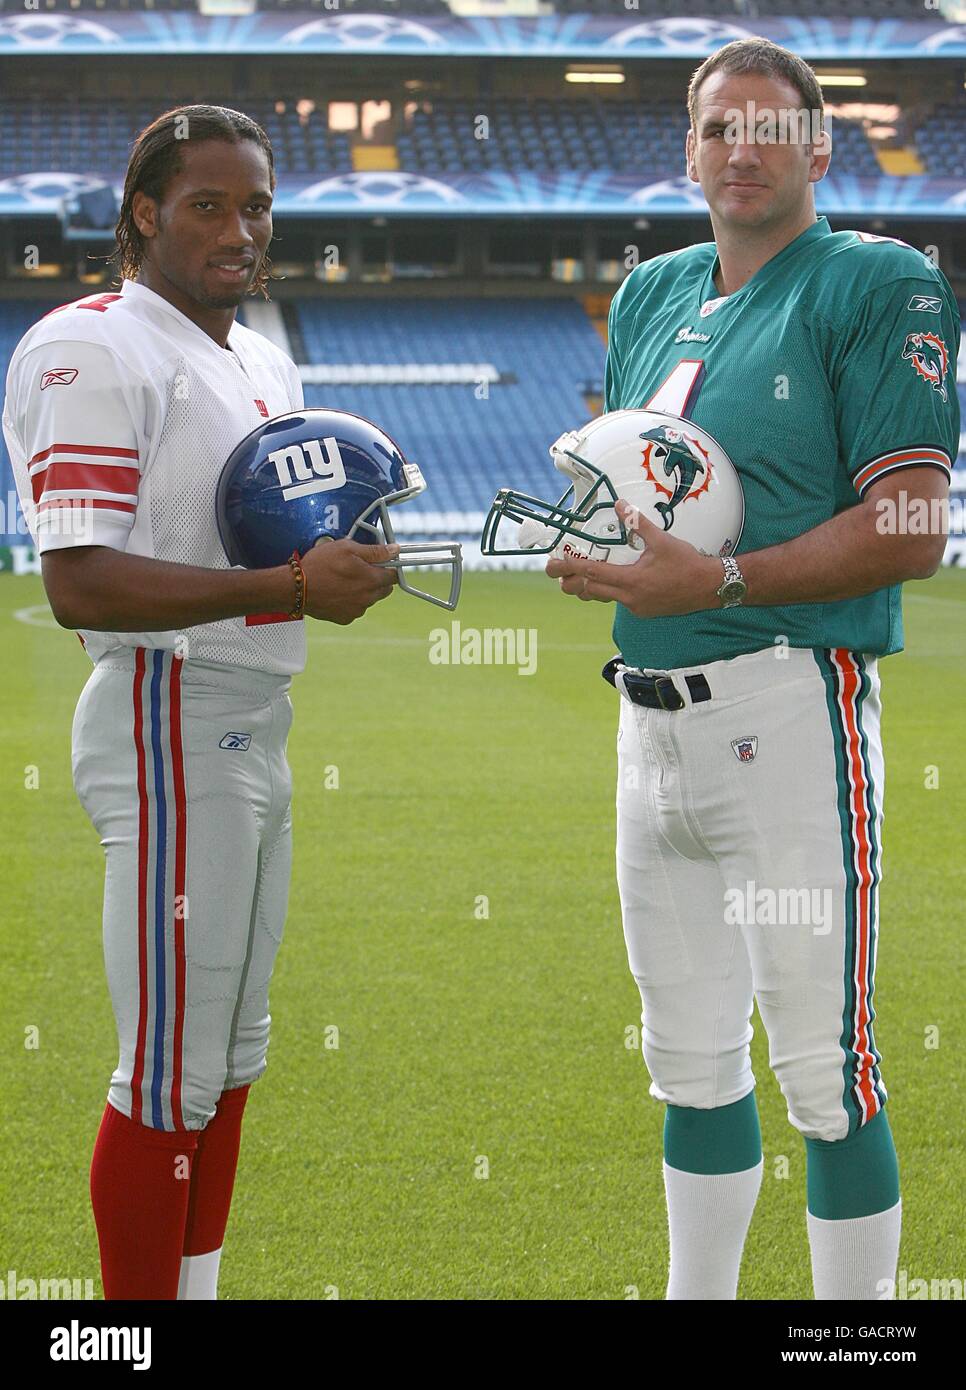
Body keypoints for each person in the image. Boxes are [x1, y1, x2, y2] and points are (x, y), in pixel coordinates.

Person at [544, 39, 958, 1299]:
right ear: (690, 149)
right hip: (647, 722)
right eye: (718, 126)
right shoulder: (658, 287)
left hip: (789, 708)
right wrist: (611, 555)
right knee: (686, 1060)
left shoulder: (877, 281)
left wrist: (720, 581)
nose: (741, 147)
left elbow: (913, 526)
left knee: (827, 1072)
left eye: (769, 127)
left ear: (819, 151)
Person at [2, 105, 400, 1300]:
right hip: (164, 713)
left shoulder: (260, 354)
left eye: (258, 206)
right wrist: (287, 582)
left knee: (228, 1059)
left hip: (249, 720)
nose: (240, 230)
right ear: (143, 215)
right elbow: (75, 581)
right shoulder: (89, 346)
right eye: (208, 205)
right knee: (167, 1069)